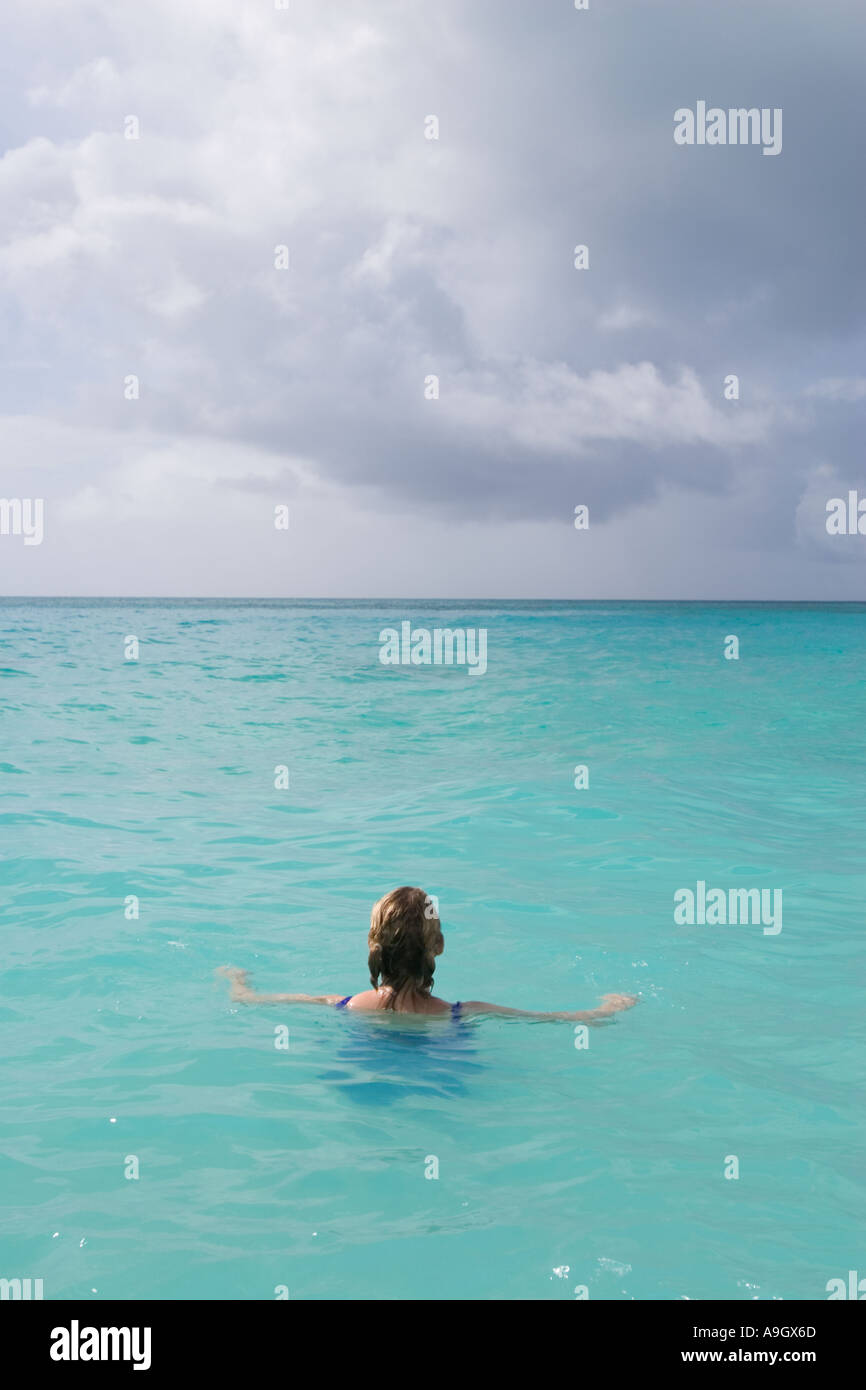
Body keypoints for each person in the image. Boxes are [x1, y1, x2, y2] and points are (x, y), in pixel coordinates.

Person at [219, 886, 638, 1023]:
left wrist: (237, 980)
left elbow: (250, 1002)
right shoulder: (462, 1012)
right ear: (438, 946)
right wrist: (608, 1008)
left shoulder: (343, 1005)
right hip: (446, 1073)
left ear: (372, 944)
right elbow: (557, 1020)